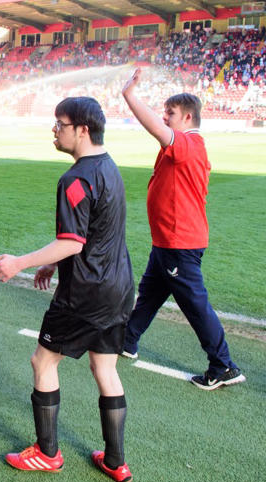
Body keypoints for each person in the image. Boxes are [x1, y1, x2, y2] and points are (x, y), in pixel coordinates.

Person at [0, 97, 134, 482]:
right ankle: (115, 460)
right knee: (104, 367)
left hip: (85, 294)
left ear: (81, 129)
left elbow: (73, 241)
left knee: (43, 362)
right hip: (119, 288)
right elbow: (90, 235)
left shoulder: (75, 178)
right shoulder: (111, 167)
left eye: (60, 123)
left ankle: (47, 453)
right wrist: (53, 263)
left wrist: (18, 262)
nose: (54, 129)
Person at [120, 68, 245, 390]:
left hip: (179, 241)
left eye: (171, 114)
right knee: (149, 294)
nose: (165, 118)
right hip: (168, 241)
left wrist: (130, 95)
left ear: (187, 117)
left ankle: (223, 366)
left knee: (194, 304)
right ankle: (127, 340)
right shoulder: (190, 146)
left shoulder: (187, 144)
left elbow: (156, 130)